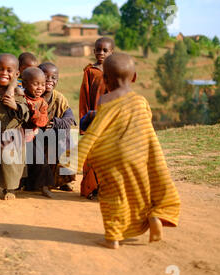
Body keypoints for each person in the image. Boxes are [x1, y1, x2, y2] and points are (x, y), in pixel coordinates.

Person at [68, 52, 180, 249]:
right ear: (134, 77)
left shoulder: (104, 101)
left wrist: (75, 156)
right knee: (141, 190)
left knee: (113, 195)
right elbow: (146, 126)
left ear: (105, 79)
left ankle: (113, 237)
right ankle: (154, 216)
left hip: (109, 157)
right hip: (137, 153)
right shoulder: (141, 101)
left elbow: (96, 130)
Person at [0, 53, 30, 200]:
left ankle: (10, 189)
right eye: (0, 69)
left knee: (10, 165)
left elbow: (26, 112)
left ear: (17, 73)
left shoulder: (18, 91)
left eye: (9, 70)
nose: (4, 73)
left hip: (13, 134)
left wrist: (15, 106)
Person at [78, 37, 115, 199]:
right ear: (93, 51)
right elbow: (84, 98)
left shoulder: (115, 71)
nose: (101, 53)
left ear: (111, 52)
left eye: (105, 50)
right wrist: (83, 123)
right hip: (93, 119)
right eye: (98, 50)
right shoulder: (90, 71)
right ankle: (90, 188)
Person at [39, 62, 77, 192]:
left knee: (65, 141)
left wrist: (55, 123)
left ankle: (64, 180)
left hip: (54, 137)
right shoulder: (32, 95)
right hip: (35, 137)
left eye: (53, 77)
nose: (49, 80)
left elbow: (69, 119)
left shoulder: (60, 99)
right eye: (45, 76)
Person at [19, 67, 53, 197]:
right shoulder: (21, 98)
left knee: (41, 162)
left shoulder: (42, 102)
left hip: (33, 135)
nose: (40, 88)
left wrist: (34, 112)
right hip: (18, 135)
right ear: (25, 84)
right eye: (35, 84)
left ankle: (44, 187)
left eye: (43, 84)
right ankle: (15, 186)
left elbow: (43, 121)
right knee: (17, 161)